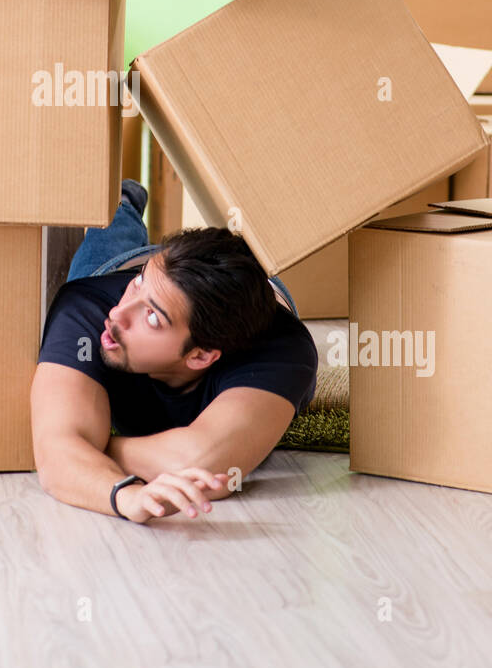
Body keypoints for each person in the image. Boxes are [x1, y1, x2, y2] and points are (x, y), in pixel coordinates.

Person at [31, 179, 318, 525]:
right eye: (136, 287)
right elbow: (54, 462)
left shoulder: (281, 351)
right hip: (127, 268)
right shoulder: (91, 310)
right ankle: (123, 204)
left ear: (201, 356)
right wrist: (125, 495)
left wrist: (85, 445)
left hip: (246, 299)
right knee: (110, 239)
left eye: (152, 317)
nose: (119, 315)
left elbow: (205, 467)